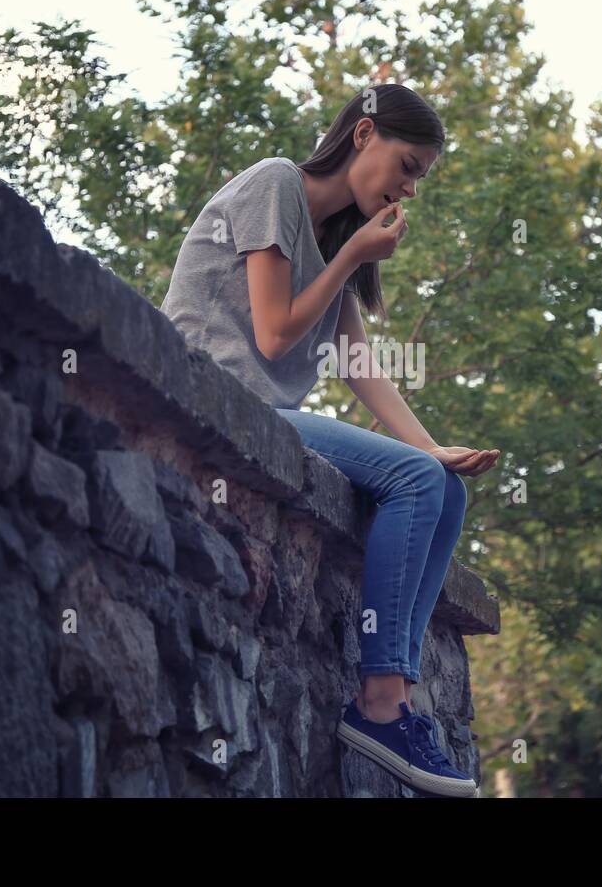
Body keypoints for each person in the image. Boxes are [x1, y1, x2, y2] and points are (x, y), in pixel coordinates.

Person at [160, 83, 499, 797]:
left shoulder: (335, 237)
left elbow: (357, 367)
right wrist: (349, 260)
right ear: (365, 134)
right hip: (222, 399)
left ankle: (396, 697)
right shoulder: (277, 184)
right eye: (408, 166)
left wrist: (431, 449)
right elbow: (276, 330)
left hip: (269, 413)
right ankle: (378, 705)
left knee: (440, 488)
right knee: (415, 482)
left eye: (421, 178)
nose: (410, 187)